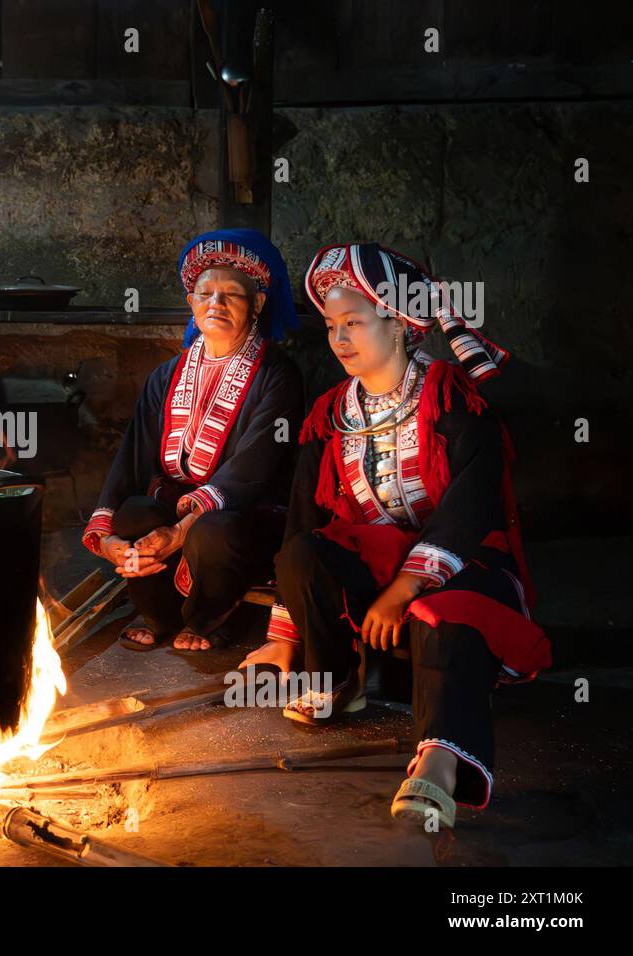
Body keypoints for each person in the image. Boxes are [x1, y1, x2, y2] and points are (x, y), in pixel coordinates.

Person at [244, 242, 550, 829]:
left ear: (400, 323)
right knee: (305, 551)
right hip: (378, 559)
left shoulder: (452, 395)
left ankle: (439, 761)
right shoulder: (331, 411)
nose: (338, 339)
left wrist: (407, 585)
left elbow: (474, 500)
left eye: (354, 323)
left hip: (461, 563)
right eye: (332, 325)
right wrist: (286, 633)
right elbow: (303, 523)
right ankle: (335, 680)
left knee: (446, 613)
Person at [83, 229, 304, 652]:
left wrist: (184, 528)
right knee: (132, 513)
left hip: (242, 510)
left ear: (258, 303)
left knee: (211, 532)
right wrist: (107, 532)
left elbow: (256, 464)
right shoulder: (167, 374)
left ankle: (210, 616)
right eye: (204, 294)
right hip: (175, 498)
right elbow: (132, 455)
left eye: (232, 295)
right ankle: (158, 614)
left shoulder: (278, 375)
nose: (215, 305)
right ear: (191, 303)